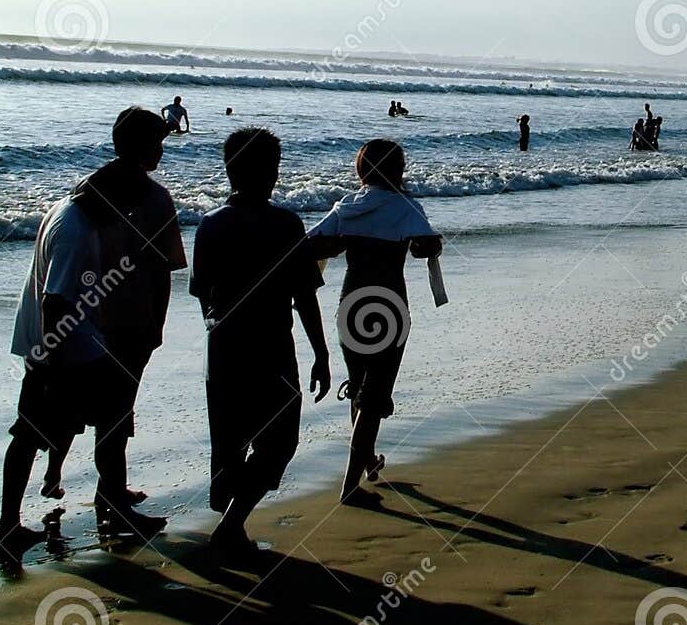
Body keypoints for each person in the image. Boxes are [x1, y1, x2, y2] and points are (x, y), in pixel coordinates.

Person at [0, 178, 163, 556]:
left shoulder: (63, 209)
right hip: (69, 349)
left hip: (57, 344)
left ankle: (9, 524)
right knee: (109, 424)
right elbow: (55, 301)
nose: (125, 217)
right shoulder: (77, 234)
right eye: (123, 210)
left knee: (32, 434)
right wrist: (52, 368)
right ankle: (116, 512)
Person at [190, 128, 331, 561]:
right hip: (272, 347)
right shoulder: (286, 224)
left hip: (224, 348)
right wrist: (321, 353)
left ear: (229, 170)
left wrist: (217, 327)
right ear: (273, 172)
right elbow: (304, 296)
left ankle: (230, 524)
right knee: (280, 441)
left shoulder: (210, 224)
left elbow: (203, 296)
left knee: (229, 443)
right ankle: (231, 525)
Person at [39, 108, 183, 524]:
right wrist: (158, 323)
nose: (161, 150)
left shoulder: (89, 188)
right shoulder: (155, 198)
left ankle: (106, 488)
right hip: (131, 318)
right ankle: (113, 501)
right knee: (117, 413)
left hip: (87, 316)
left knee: (103, 410)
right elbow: (163, 267)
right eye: (157, 143)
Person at [309, 140, 443, 506]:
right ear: (399, 170)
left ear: (361, 170)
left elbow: (312, 244)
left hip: (351, 303)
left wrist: (344, 243)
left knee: (359, 387)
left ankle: (367, 461)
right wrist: (426, 247)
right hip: (389, 305)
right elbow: (427, 246)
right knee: (375, 393)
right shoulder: (405, 207)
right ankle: (350, 486)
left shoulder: (347, 206)